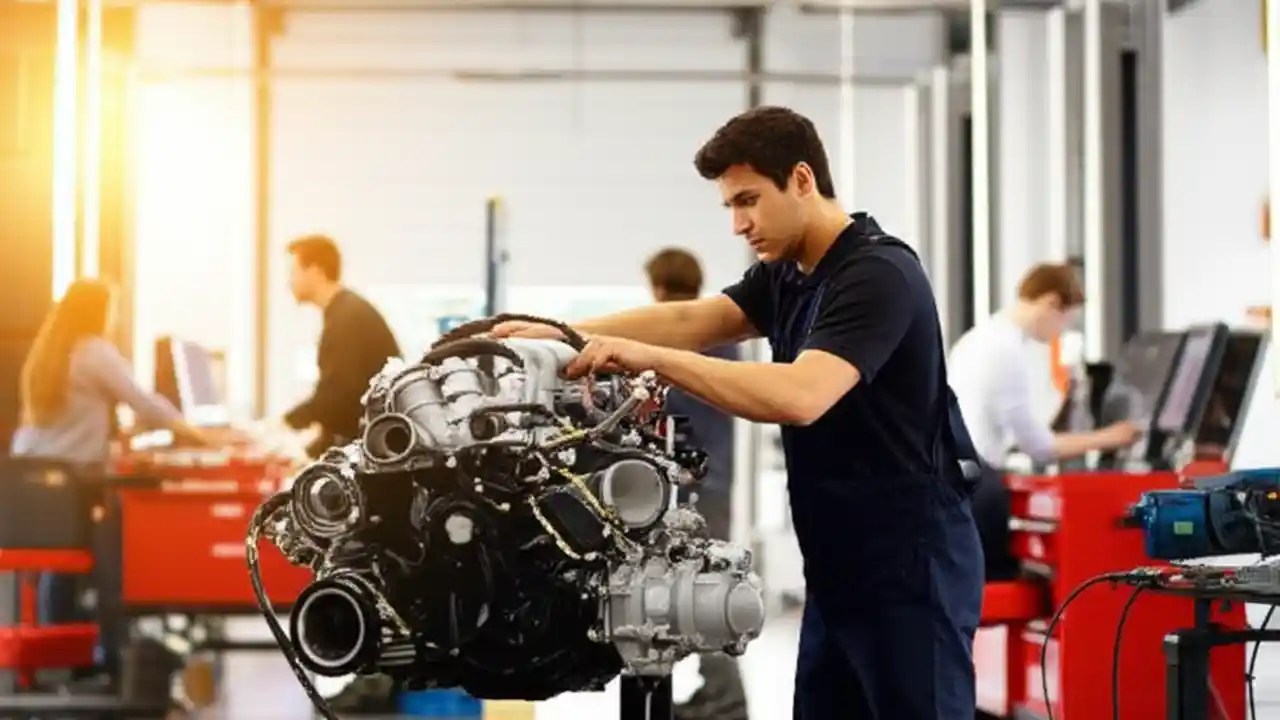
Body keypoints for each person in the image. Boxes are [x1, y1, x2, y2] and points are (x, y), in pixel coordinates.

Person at [494, 106, 984, 720]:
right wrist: (554, 332)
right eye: (729, 205)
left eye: (747, 201)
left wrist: (644, 358)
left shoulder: (878, 274)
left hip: (913, 567)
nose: (737, 224)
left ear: (802, 180)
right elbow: (689, 319)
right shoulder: (787, 276)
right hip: (840, 569)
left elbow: (800, 395)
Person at [10, 278, 225, 687]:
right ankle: (111, 652)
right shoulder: (92, 350)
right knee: (115, 542)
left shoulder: (50, 351)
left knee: (64, 561)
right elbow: (142, 401)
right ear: (98, 312)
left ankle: (71, 658)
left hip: (32, 489)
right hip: (69, 484)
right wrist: (198, 435)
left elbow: (69, 423)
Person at [947, 263, 1142, 580]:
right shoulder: (1006, 351)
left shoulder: (977, 339)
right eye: (1067, 319)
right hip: (981, 495)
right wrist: (1114, 437)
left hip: (964, 485)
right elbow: (1039, 446)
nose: (1063, 331)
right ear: (1052, 303)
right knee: (1046, 579)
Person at [644, 248, 748, 720]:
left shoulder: (683, 342)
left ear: (660, 288)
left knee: (702, 594)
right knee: (705, 589)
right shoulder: (722, 340)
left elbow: (667, 415)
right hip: (713, 483)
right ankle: (715, 691)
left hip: (692, 488)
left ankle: (726, 700)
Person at [282, 235, 402, 458]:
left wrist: (284, 424)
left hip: (373, 452)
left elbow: (337, 397)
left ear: (315, 271)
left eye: (293, 272)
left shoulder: (345, 319)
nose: (289, 282)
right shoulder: (345, 311)